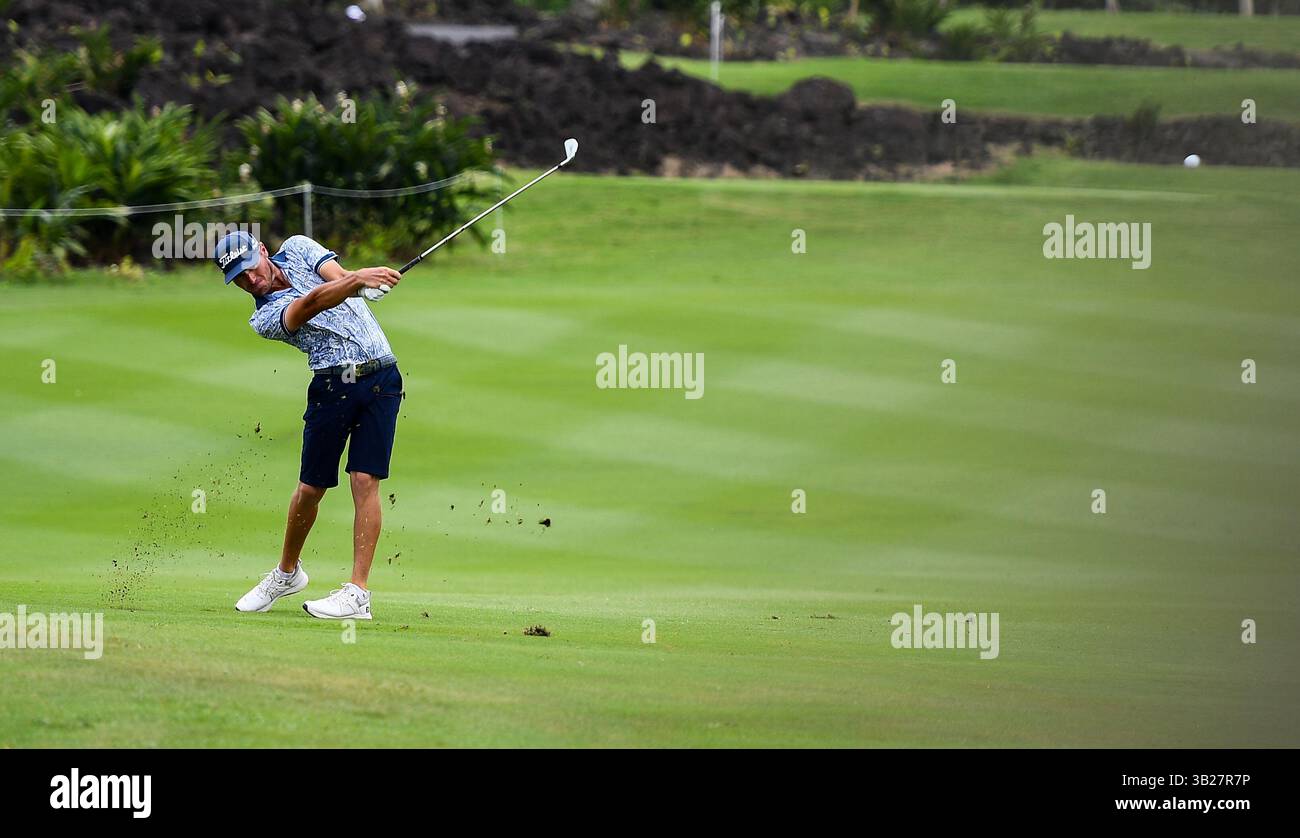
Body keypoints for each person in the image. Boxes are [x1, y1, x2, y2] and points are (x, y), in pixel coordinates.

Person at [214, 230, 403, 620]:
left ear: (263, 251)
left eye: (250, 268)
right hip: (333, 385)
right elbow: (311, 303)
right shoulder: (264, 317)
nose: (250, 280)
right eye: (239, 279)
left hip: (383, 376)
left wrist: (359, 284)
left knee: (365, 480)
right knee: (310, 488)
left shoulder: (299, 247)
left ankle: (357, 594)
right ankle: (287, 573)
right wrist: (358, 282)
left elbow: (336, 276)